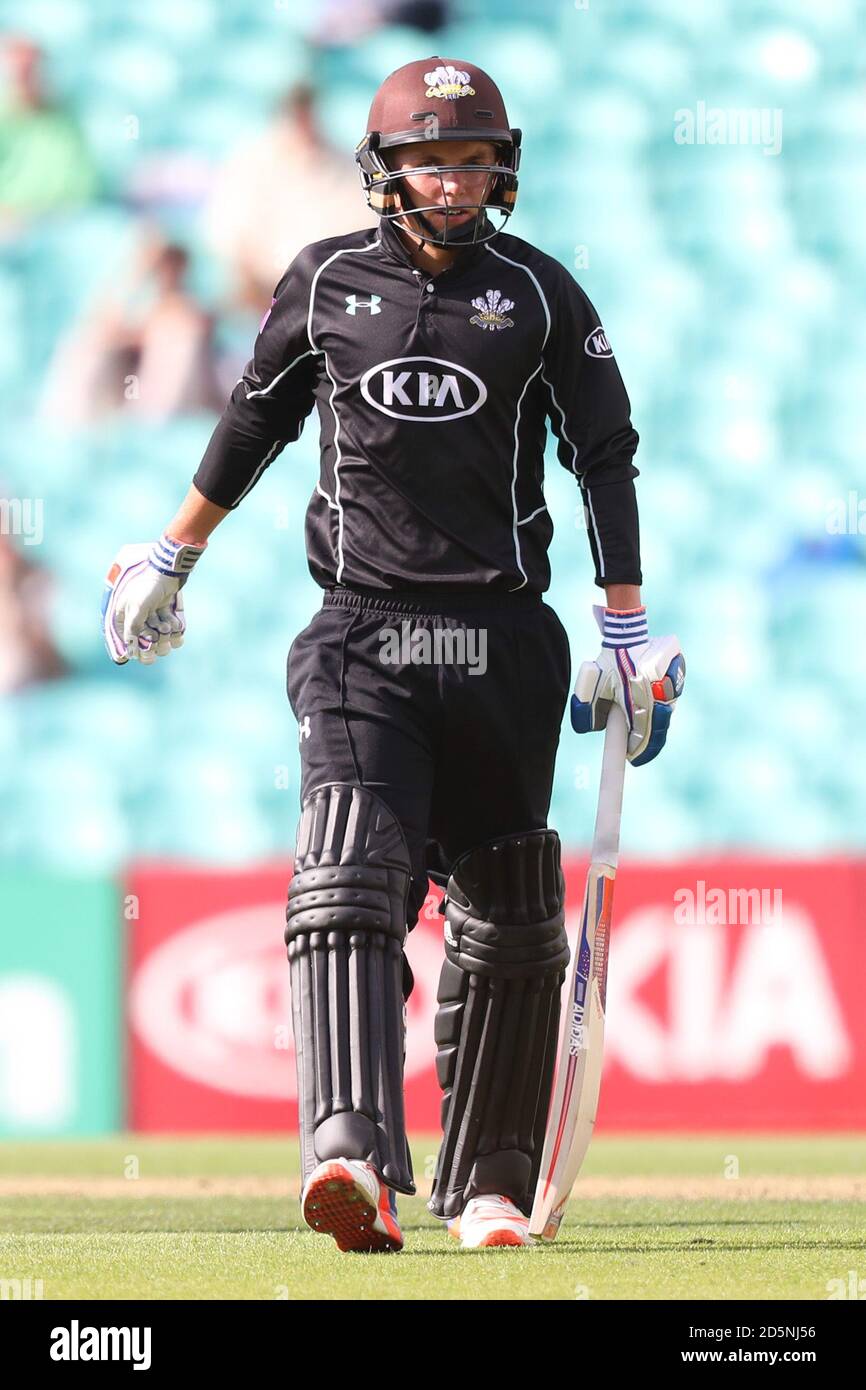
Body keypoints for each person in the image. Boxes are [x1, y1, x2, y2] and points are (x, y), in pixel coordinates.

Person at [102, 57, 685, 1253]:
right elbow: (253, 418)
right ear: (384, 169)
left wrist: (621, 624)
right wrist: (173, 553)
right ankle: (350, 1157)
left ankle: (487, 1188)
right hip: (360, 632)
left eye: (472, 159)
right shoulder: (323, 283)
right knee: (345, 877)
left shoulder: (537, 293)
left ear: (501, 166)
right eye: (430, 159)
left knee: (509, 918)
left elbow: (606, 454)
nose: (454, 180)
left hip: (503, 639)